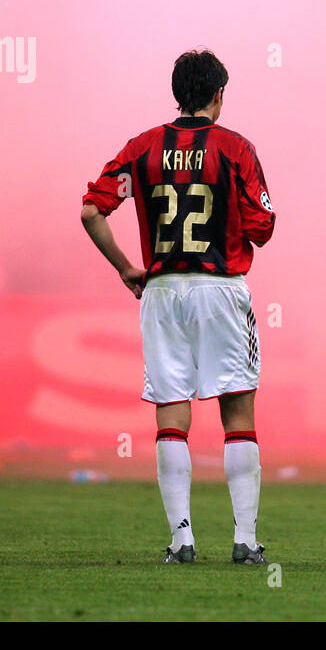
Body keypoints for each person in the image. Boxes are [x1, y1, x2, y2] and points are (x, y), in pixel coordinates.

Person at [81, 49, 275, 565]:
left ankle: (182, 540)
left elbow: (90, 211)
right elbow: (263, 227)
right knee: (237, 409)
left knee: (171, 413)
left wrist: (126, 267)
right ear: (217, 95)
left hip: (162, 290)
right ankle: (245, 540)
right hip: (219, 289)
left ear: (177, 93)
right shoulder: (235, 147)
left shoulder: (142, 147)